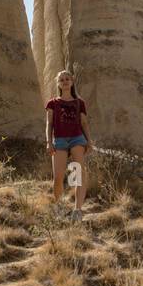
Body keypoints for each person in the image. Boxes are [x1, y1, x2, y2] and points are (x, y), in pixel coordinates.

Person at [45, 70, 93, 221]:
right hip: (59, 140)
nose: (65, 81)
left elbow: (84, 123)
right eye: (61, 80)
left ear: (72, 82)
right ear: (58, 84)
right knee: (58, 177)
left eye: (67, 79)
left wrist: (89, 141)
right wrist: (48, 142)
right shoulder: (53, 103)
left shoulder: (79, 102)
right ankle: (59, 207)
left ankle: (77, 210)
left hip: (77, 139)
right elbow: (49, 124)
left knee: (77, 175)